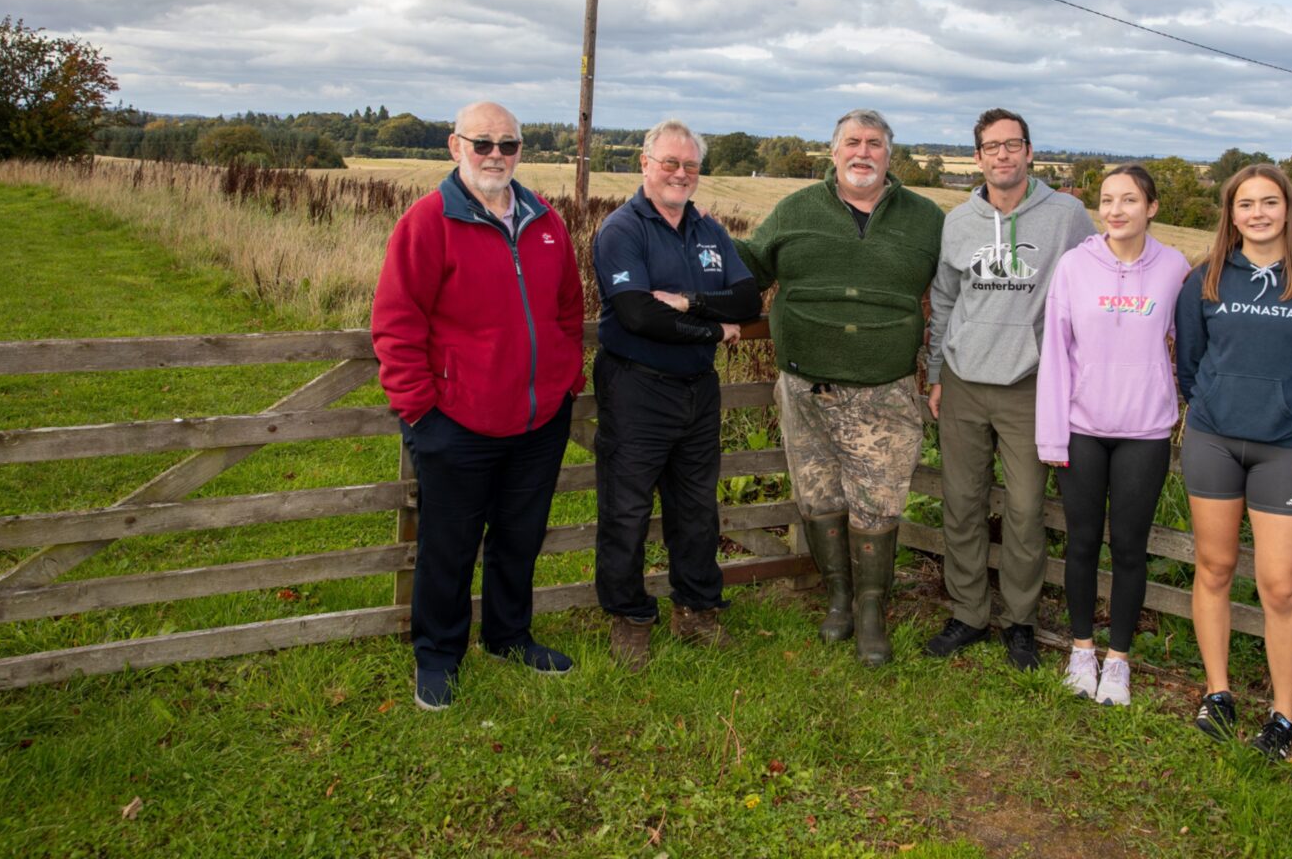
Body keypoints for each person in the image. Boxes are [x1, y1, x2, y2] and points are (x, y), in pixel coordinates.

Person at [372, 101, 586, 711]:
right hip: (456, 423)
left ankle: (508, 636)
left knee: (520, 537)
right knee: (449, 544)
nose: (496, 155)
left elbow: (568, 309)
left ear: (522, 150)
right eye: (483, 143)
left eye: (508, 145)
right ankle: (438, 655)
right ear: (455, 146)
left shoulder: (546, 221)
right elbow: (396, 323)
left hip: (539, 420)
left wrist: (565, 380)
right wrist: (421, 412)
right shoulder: (427, 222)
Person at [733, 108, 943, 666]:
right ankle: (840, 599)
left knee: (878, 502)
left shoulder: (926, 220)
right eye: (853, 142)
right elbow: (749, 269)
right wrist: (696, 277)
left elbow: (953, 295)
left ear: (889, 155)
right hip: (805, 389)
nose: (863, 153)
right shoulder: (795, 210)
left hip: (886, 391)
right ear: (833, 152)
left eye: (875, 144)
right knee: (818, 494)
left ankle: (873, 610)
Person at [1175, 163, 1292, 760]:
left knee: (1279, 587)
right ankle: (1218, 693)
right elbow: (1190, 366)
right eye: (1244, 204)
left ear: (1287, 209)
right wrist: (1218, 408)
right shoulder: (1205, 279)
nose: (1257, 213)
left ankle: (1283, 713)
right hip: (1213, 443)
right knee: (1215, 568)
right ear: (1230, 214)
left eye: (1268, 202)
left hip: (1283, 450)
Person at [924, 108, 1096, 670]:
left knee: (1024, 510)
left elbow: (1094, 279)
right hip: (964, 381)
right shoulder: (959, 222)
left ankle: (1020, 621)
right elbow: (945, 300)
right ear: (977, 157)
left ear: (1028, 152)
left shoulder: (1067, 216)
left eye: (1013, 145)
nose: (1003, 155)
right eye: (992, 147)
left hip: (1031, 386)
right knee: (962, 503)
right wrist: (935, 373)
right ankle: (969, 613)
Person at [591, 120, 761, 671]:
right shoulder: (623, 229)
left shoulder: (708, 231)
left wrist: (690, 303)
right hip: (636, 385)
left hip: (697, 389)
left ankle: (697, 608)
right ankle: (629, 616)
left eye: (690, 165)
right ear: (645, 163)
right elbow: (638, 314)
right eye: (669, 163)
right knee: (628, 507)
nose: (680, 174)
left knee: (696, 507)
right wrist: (714, 330)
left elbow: (747, 300)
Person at [1036, 164, 1190, 705]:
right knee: (1080, 543)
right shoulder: (1075, 267)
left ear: (1151, 207)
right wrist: (1052, 437)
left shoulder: (1174, 268)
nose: (1116, 210)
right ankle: (1081, 651)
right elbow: (1055, 353)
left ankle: (1118, 661)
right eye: (1107, 200)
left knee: (1128, 548)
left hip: (1144, 432)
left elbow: (1189, 347)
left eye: (1129, 199)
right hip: (1081, 429)